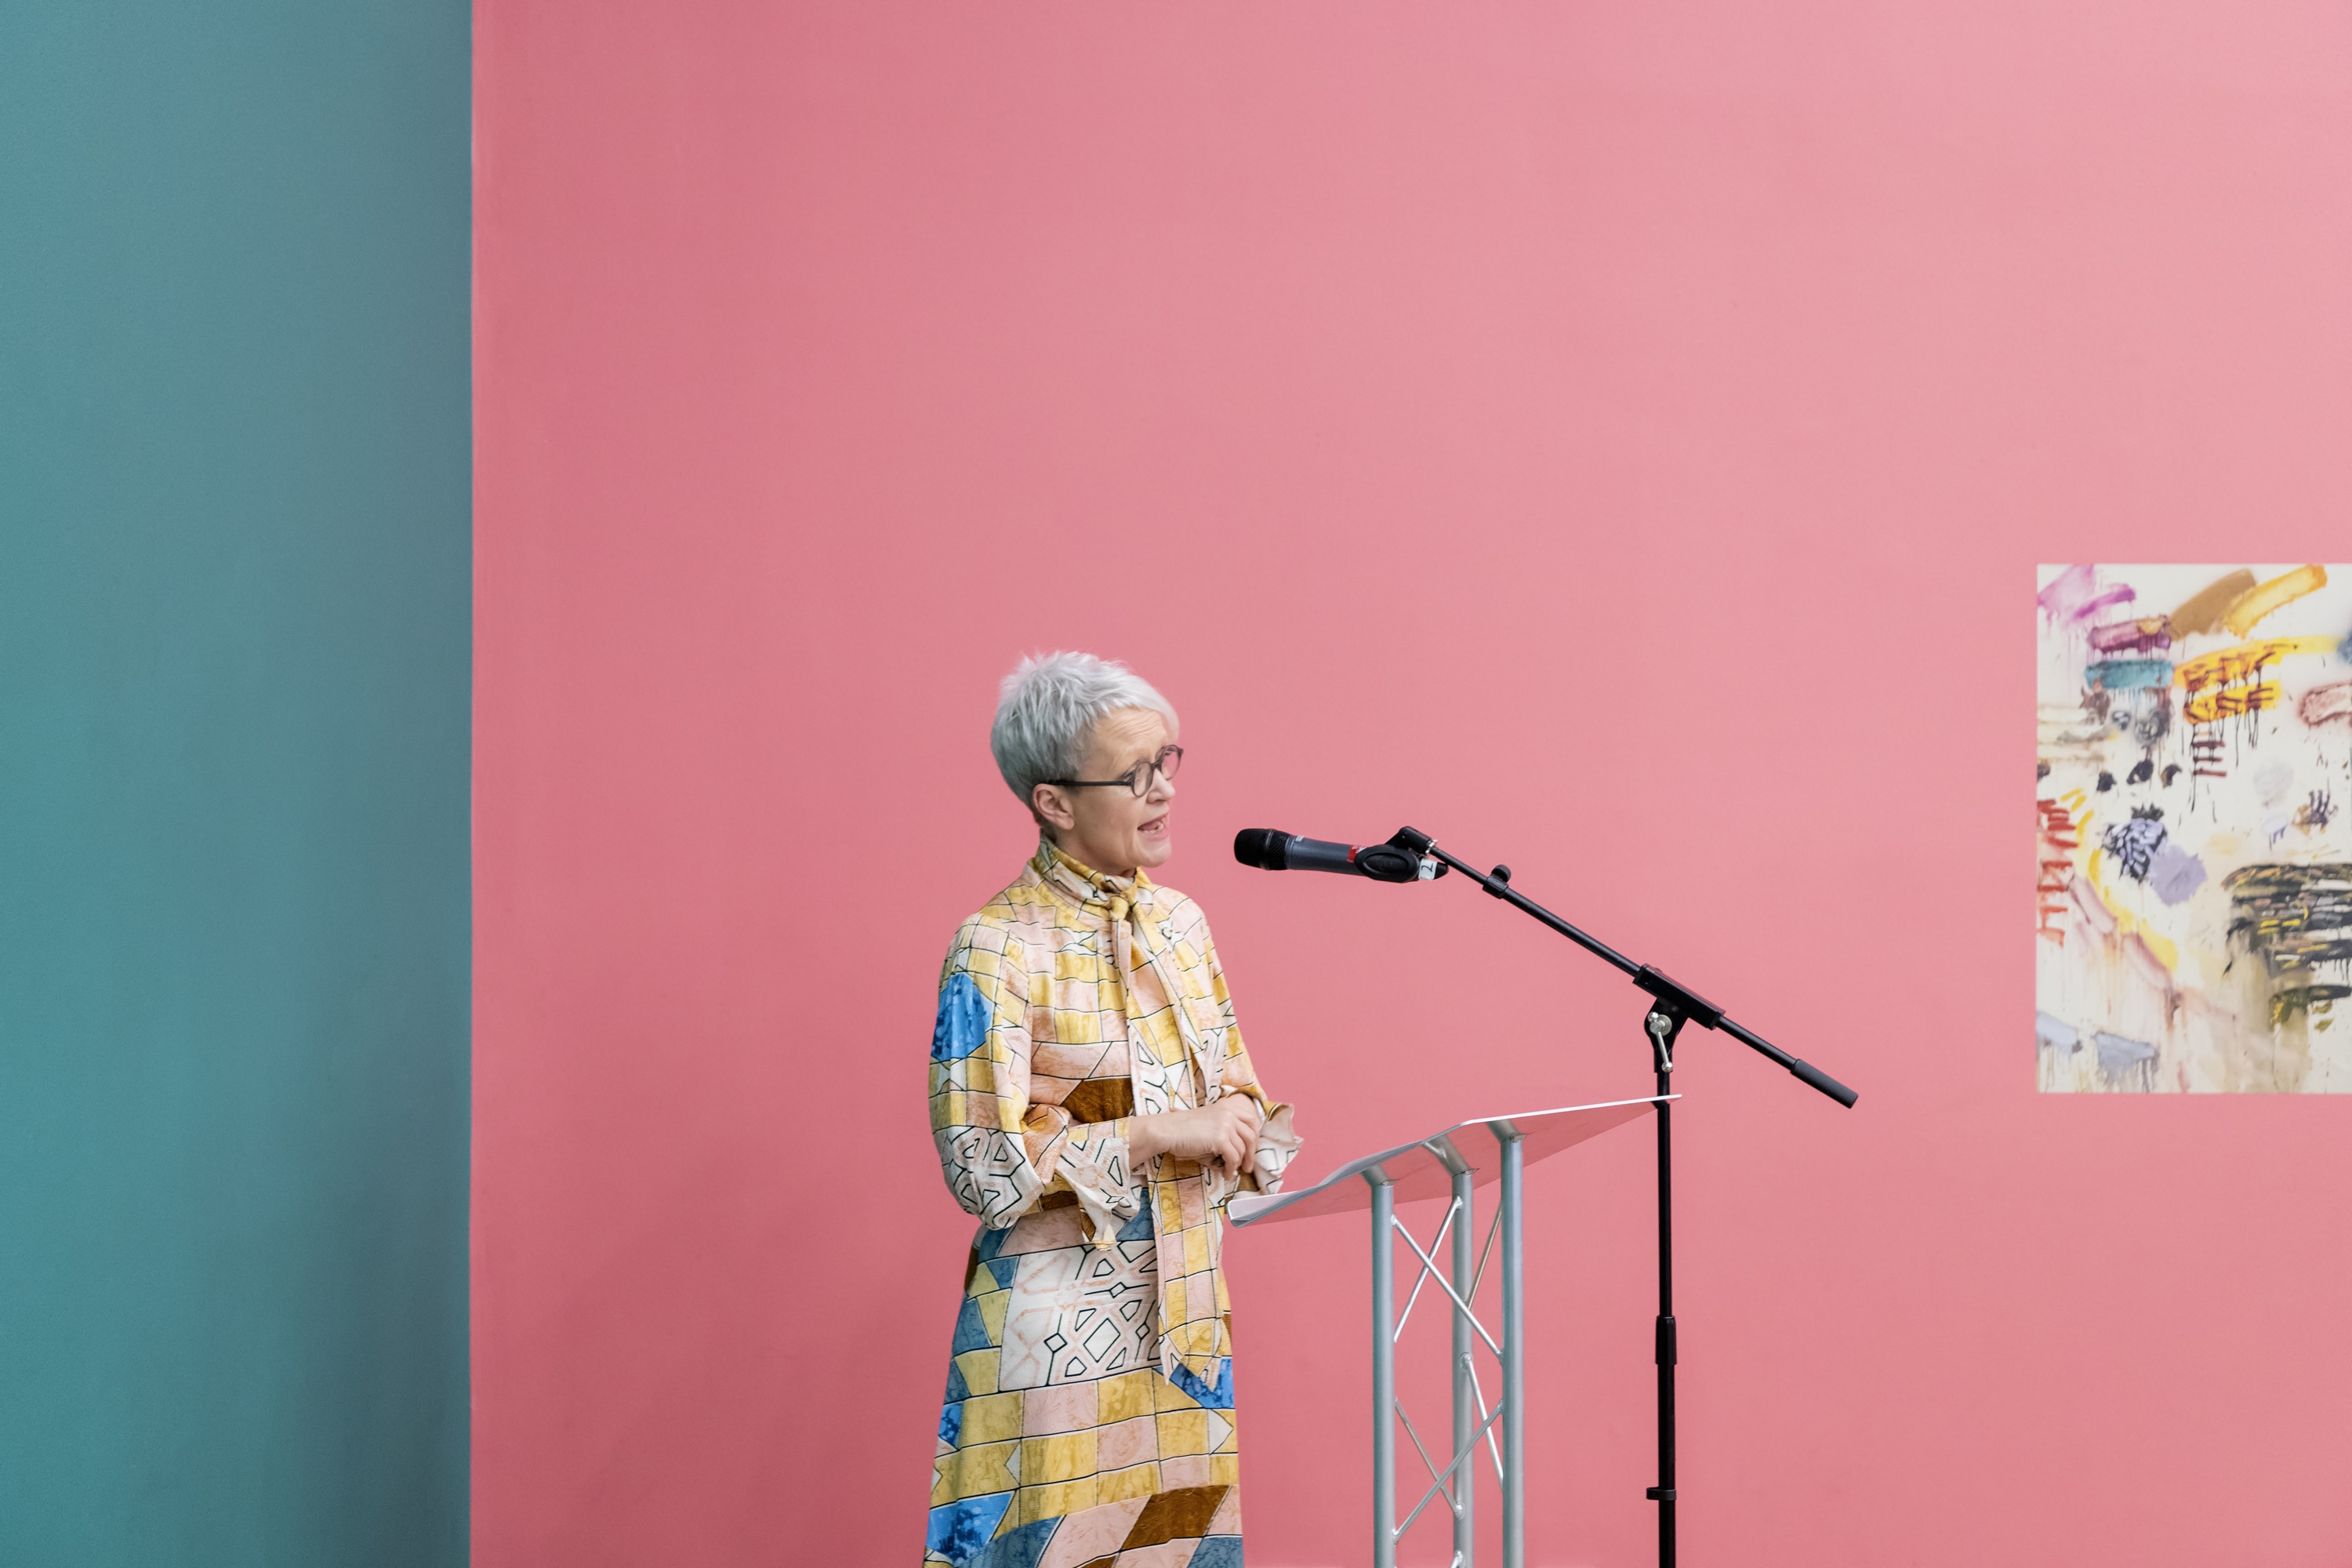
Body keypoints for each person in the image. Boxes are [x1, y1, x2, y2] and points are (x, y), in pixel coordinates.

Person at [924, 652, 1301, 1568]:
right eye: (1134, 775)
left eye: (1168, 761)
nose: (1163, 791)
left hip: (1184, 1321)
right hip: (1055, 1338)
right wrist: (1161, 1131)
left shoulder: (1181, 925)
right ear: (1054, 801)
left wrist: (1248, 1127)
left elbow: (1239, 1086)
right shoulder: (994, 947)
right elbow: (981, 1166)